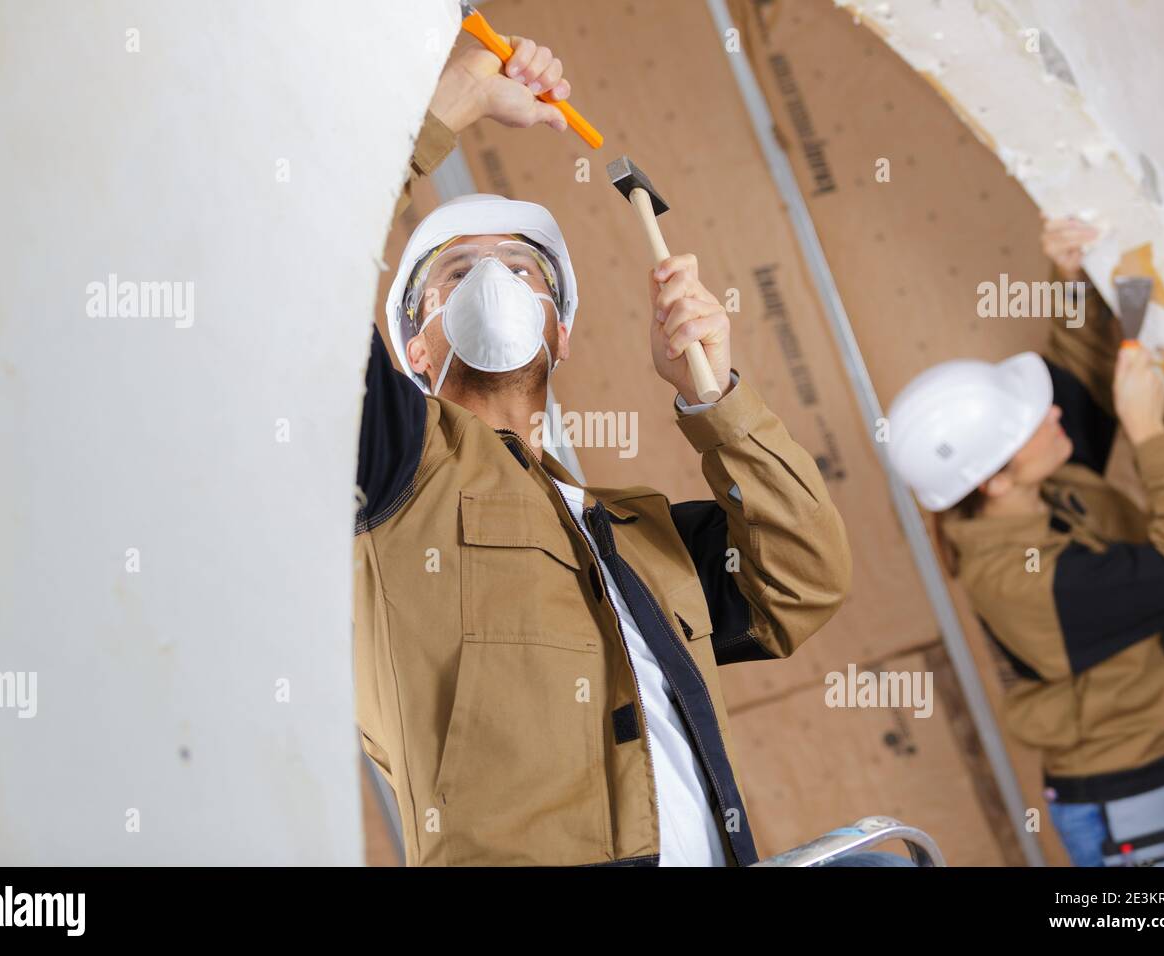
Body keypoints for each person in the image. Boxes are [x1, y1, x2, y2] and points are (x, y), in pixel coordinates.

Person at [355, 31, 875, 867]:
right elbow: (309, 264)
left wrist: (715, 397)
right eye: (456, 274)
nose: (493, 279)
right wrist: (449, 105)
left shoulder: (637, 536)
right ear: (412, 348)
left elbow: (804, 581)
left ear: (559, 331)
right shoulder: (394, 482)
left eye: (522, 268)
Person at [887, 217, 1164, 867]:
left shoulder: (1032, 486)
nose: (1050, 413)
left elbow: (1075, 372)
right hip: (1136, 813)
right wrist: (1149, 432)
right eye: (1029, 421)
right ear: (991, 480)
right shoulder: (1029, 581)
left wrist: (1071, 278)